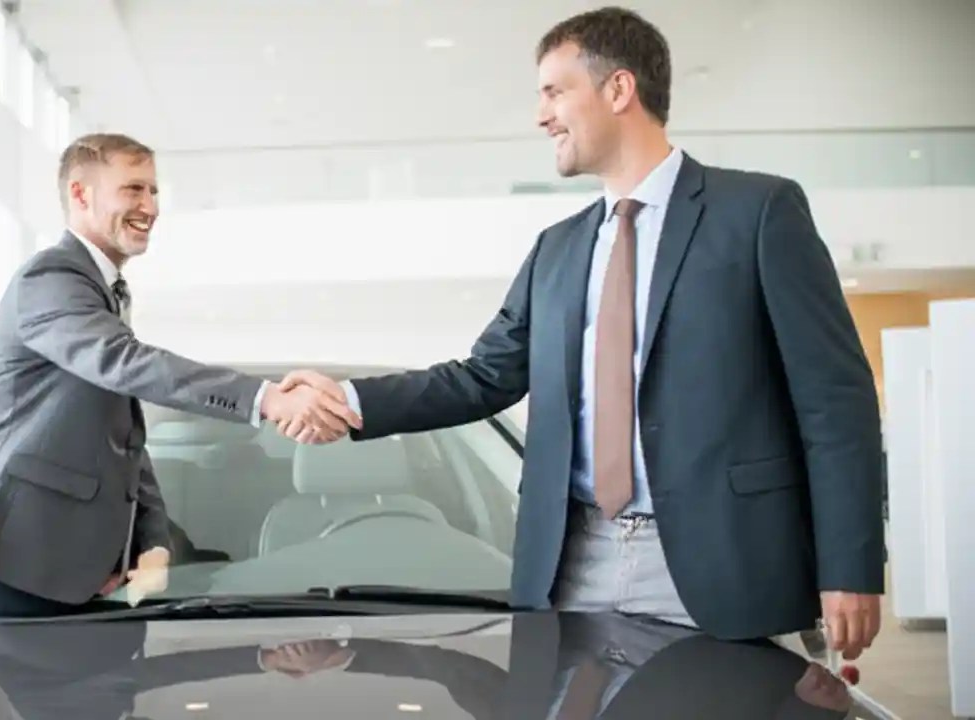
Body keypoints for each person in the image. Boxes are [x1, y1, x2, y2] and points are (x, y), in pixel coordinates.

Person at [280, 7, 884, 657]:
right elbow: (484, 377)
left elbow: (834, 400)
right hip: (571, 565)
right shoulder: (557, 249)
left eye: (554, 91)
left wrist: (850, 567)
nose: (541, 116)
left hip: (728, 565)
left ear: (619, 89)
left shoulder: (758, 213)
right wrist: (349, 399)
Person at [0, 132, 361, 618]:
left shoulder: (103, 288)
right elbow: (126, 362)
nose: (151, 206)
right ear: (81, 194)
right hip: (17, 565)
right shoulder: (50, 278)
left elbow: (124, 435)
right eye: (133, 189)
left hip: (74, 577)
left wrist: (154, 543)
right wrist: (266, 398)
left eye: (154, 191)